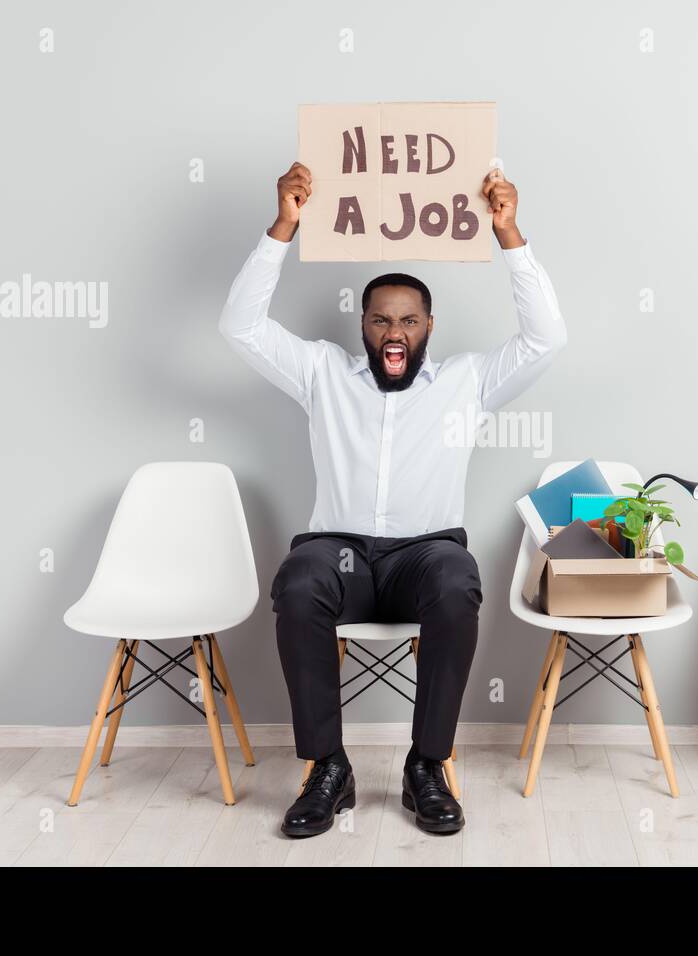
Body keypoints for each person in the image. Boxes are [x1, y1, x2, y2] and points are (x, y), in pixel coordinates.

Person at [218, 161, 567, 837]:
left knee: (456, 578)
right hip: (340, 557)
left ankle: (426, 765)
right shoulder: (322, 374)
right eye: (381, 321)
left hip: (424, 557)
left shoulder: (467, 382)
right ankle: (328, 767)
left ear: (429, 324)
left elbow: (546, 339)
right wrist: (283, 227)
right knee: (298, 580)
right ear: (363, 327)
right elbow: (241, 328)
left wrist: (509, 233)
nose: (394, 332)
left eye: (408, 319)